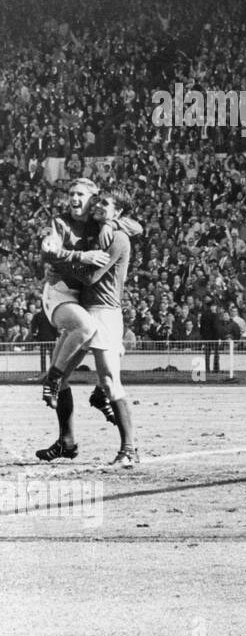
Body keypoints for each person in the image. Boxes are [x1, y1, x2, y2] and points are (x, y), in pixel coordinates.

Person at [37, 187, 139, 465]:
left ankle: (129, 449)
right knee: (62, 377)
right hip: (87, 310)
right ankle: (66, 441)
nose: (97, 207)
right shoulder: (101, 227)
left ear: (118, 211)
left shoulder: (117, 237)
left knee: (110, 381)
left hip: (104, 312)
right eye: (98, 202)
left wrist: (59, 264)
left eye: (104, 204)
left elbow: (92, 277)